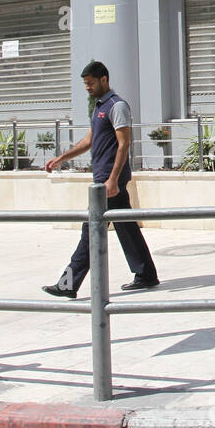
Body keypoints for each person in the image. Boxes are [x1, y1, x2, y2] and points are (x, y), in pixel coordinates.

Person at [43, 61, 160, 297]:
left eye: (91, 83)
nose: (87, 87)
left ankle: (68, 284)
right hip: (104, 180)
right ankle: (146, 274)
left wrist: (113, 180)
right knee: (127, 228)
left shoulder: (117, 106)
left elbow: (124, 143)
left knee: (90, 232)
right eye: (85, 84)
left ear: (104, 79)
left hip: (108, 182)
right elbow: (89, 140)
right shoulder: (98, 107)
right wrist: (62, 158)